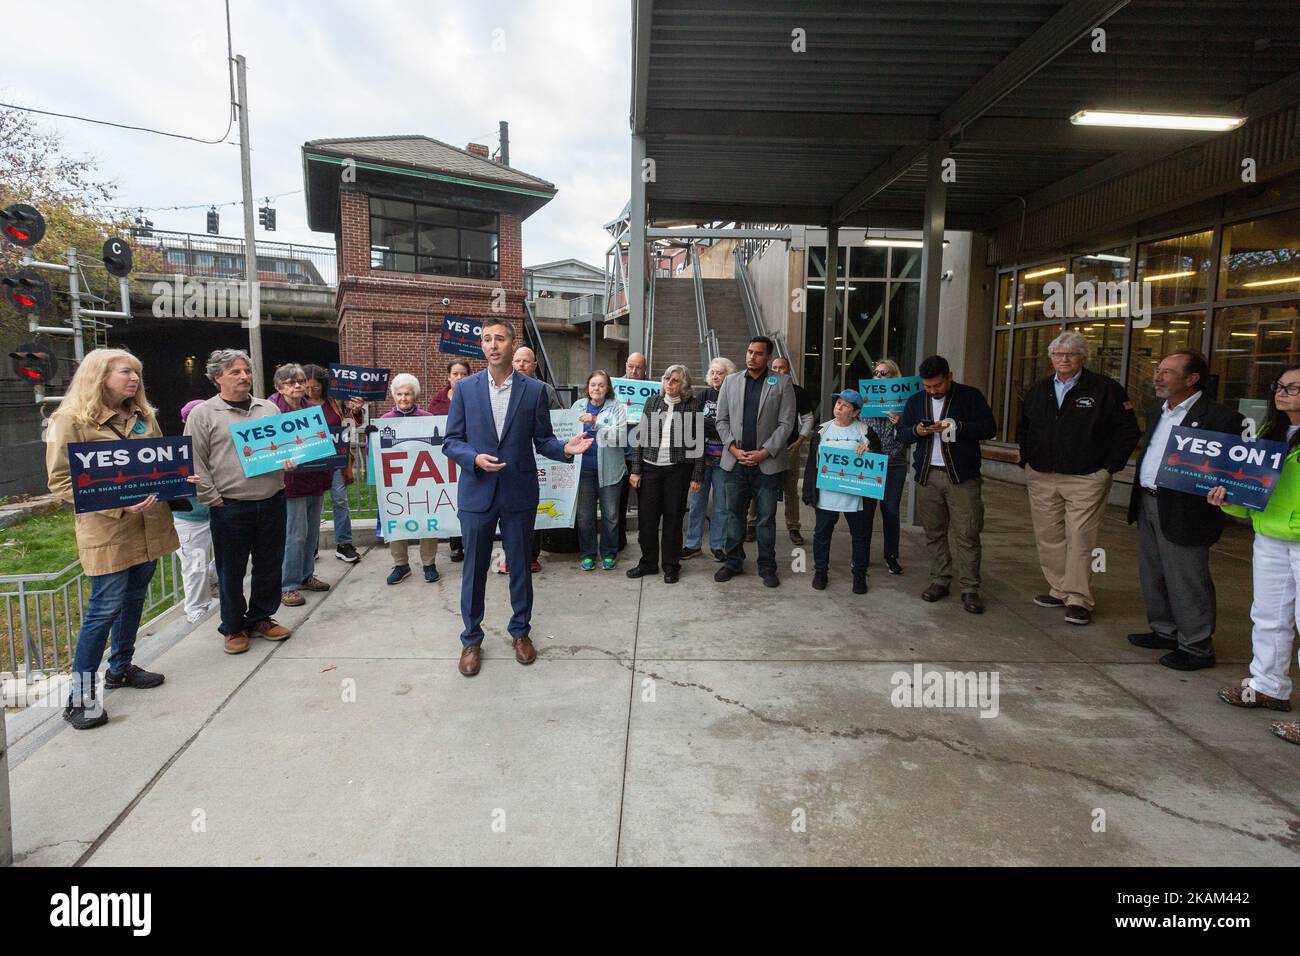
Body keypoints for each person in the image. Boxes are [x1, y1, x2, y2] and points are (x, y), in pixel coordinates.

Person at [443, 317, 591, 677]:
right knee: (474, 569)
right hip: (477, 492)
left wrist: (566, 449)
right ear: (483, 346)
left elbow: (543, 441)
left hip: (518, 491)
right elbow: (451, 441)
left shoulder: (534, 390)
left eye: (500, 339)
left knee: (520, 567)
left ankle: (520, 632)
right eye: (487, 339)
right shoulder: (465, 389)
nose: (492, 345)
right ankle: (471, 639)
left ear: (513, 345)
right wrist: (473, 459)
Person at [46, 349, 178, 729]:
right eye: (125, 372)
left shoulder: (144, 417)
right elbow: (61, 482)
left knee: (136, 599)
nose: (134, 379)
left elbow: (156, 466)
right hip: (109, 530)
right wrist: (120, 504)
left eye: (137, 373)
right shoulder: (69, 420)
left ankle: (120, 668)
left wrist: (177, 479)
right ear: (98, 376)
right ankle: (80, 697)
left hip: (148, 526)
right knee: (103, 610)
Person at [1126, 350, 1243, 671]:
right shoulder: (1156, 412)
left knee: (1187, 579)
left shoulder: (1221, 418)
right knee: (1154, 573)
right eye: (1158, 370)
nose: (1157, 377)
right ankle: (1165, 631)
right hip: (1149, 500)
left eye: (1167, 372)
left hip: (1187, 511)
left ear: (1192, 379)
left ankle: (1197, 646)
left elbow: (1232, 470)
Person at [1017, 330, 1140, 625]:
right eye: (1058, 354)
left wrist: (1109, 467)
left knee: (1080, 537)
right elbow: (1024, 426)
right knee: (1048, 536)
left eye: (1070, 354)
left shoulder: (1105, 389)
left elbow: (1128, 431)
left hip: (1086, 477)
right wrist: (1026, 460)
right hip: (1043, 474)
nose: (1063, 359)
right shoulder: (1040, 389)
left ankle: (1079, 598)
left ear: (1082, 358)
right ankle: (1059, 589)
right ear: (1051, 359)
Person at [1210, 363, 1300, 745]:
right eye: (1280, 386)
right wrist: (1228, 500)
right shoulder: (1271, 433)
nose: (1283, 393)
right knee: (1268, 617)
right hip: (1271, 538)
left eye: (1294, 388)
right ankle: (1268, 686)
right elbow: (1252, 488)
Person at [185, 349, 295, 655]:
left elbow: (284, 448)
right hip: (230, 506)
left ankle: (261, 617)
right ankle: (233, 626)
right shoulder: (203, 414)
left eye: (246, 370)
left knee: (270, 565)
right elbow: (196, 463)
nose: (244, 376)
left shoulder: (268, 410)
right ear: (217, 377)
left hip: (272, 499)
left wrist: (290, 460)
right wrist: (214, 500)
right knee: (231, 570)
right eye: (235, 372)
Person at [898, 354, 997, 614]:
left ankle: (970, 587)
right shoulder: (916, 400)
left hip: (962, 476)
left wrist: (959, 426)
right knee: (934, 532)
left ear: (949, 377)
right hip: (927, 475)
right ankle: (940, 579)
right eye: (928, 386)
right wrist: (918, 431)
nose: (933, 391)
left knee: (967, 531)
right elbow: (903, 434)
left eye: (938, 385)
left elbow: (989, 428)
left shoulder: (970, 396)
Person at [714, 336, 796, 588]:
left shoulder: (782, 383)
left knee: (765, 519)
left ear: (768, 357)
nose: (752, 357)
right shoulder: (731, 381)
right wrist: (734, 449)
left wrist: (766, 451)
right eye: (749, 351)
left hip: (767, 465)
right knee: (734, 515)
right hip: (736, 462)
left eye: (759, 353)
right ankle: (733, 562)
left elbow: (786, 423)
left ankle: (767, 566)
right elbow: (721, 420)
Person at [627, 364, 704, 584]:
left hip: (677, 471)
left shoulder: (692, 406)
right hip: (650, 469)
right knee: (647, 520)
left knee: (673, 520)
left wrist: (697, 476)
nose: (669, 384)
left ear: (684, 385)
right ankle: (648, 563)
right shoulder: (652, 402)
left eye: (675, 380)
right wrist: (636, 470)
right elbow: (640, 439)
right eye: (666, 379)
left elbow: (698, 443)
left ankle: (671, 565)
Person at [801, 389, 881, 594]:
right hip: (827, 496)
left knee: (860, 537)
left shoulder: (866, 432)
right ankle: (820, 571)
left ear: (855, 412)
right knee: (821, 535)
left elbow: (878, 462)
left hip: (857, 498)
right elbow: (812, 463)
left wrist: (869, 452)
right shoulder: (822, 430)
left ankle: (859, 576)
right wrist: (809, 491)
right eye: (838, 403)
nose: (839, 407)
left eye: (845, 405)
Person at [270, 364, 333, 608]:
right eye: (290, 382)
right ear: (278, 386)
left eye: (300, 381)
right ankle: (288, 585)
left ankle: (306, 575)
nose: (297, 385)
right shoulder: (271, 410)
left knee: (311, 533)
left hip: (314, 478)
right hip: (289, 483)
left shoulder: (311, 408)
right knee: (294, 535)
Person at [746, 356, 814, 546]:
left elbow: (808, 418)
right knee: (756, 489)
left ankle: (793, 527)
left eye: (781, 367)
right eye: (774, 367)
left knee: (791, 491)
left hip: (788, 448)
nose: (777, 370)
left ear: (788, 370)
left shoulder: (797, 392)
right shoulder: (762, 388)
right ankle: (751, 524)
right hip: (762, 449)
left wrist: (801, 439)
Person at [508, 345, 564, 574]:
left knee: (535, 507)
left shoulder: (544, 390)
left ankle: (532, 555)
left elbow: (559, 419)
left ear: (534, 365)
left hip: (541, 456)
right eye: (518, 361)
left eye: (526, 361)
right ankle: (510, 556)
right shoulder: (503, 388)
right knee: (508, 511)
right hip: (511, 458)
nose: (521, 365)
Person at [380, 373, 441, 584]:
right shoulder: (384, 422)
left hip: (423, 478)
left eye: (408, 394)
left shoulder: (427, 418)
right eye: (399, 394)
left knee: (427, 519)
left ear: (415, 395)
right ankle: (400, 564)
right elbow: (376, 455)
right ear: (393, 396)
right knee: (396, 519)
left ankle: (429, 562)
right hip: (396, 480)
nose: (404, 398)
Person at [303, 364, 364, 564]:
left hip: (335, 458)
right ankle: (310, 546)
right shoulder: (298, 403)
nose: (310, 392)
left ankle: (344, 544)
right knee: (311, 505)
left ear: (324, 386)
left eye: (315, 387)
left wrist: (356, 410)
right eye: (307, 387)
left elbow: (352, 422)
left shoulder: (335, 402)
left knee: (340, 500)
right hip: (308, 460)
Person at [571, 369, 627, 571]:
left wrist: (595, 422)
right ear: (587, 387)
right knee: (584, 516)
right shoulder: (577, 406)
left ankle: (609, 553)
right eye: (593, 384)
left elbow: (620, 437)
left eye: (601, 385)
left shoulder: (617, 408)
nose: (597, 388)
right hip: (583, 469)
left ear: (607, 389)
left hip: (610, 470)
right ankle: (587, 554)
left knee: (610, 515)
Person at [683, 356, 736, 561]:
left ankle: (718, 545)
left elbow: (731, 427)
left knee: (722, 505)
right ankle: (692, 544)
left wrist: (712, 425)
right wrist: (717, 427)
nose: (715, 376)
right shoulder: (703, 395)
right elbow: (694, 424)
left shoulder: (733, 396)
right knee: (697, 503)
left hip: (724, 459)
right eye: (713, 372)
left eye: (720, 373)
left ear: (728, 375)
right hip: (701, 459)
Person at [861, 358, 908, 575]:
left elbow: (906, 438)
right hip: (870, 465)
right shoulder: (866, 405)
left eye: (884, 373)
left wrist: (899, 422)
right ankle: (862, 555)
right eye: (876, 373)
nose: (879, 376)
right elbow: (860, 433)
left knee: (890, 511)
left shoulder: (904, 406)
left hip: (894, 466)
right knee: (866, 512)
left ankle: (891, 555)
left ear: (894, 377)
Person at [174, 399, 217, 623]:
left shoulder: (220, 444)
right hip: (191, 518)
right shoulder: (176, 453)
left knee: (235, 553)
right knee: (196, 564)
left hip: (220, 512)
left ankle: (213, 578)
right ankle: (196, 609)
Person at [428, 359, 471, 561]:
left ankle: (469, 541)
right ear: (448, 377)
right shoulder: (438, 401)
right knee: (450, 498)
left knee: (467, 498)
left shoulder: (477, 396)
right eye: (455, 373)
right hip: (443, 459)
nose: (459, 377)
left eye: (463, 373)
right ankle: (455, 544)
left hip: (470, 455)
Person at [617, 351, 649, 551]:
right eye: (631, 366)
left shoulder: (653, 389)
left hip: (644, 456)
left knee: (646, 505)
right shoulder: (614, 387)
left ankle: (645, 542)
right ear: (626, 366)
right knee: (617, 503)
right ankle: (618, 542)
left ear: (645, 369)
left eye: (638, 367)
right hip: (619, 455)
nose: (634, 371)